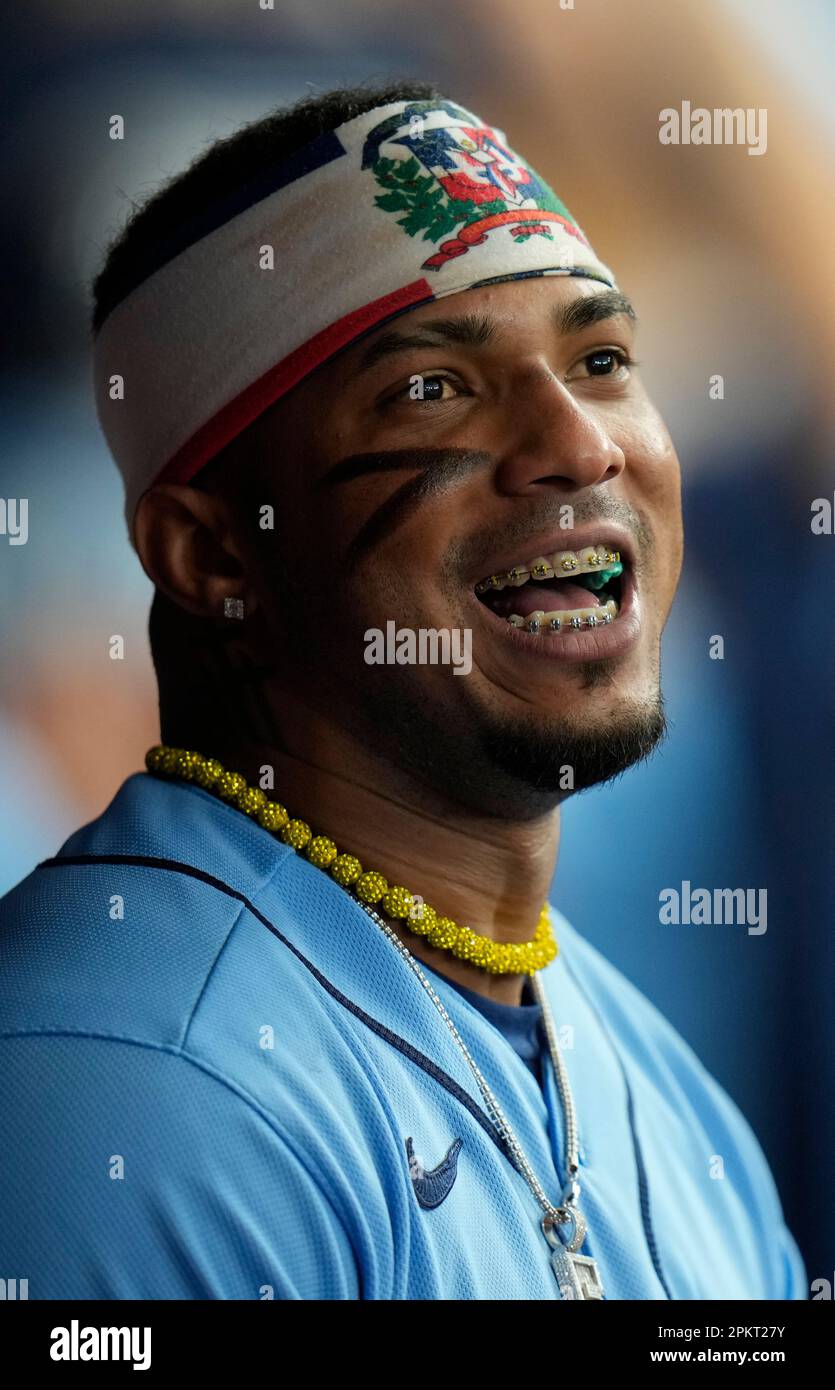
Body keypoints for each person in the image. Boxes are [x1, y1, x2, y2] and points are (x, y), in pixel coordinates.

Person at [0, 79, 806, 1300]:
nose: (581, 443)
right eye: (431, 389)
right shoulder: (129, 1090)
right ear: (214, 554)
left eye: (599, 358)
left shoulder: (644, 1080)